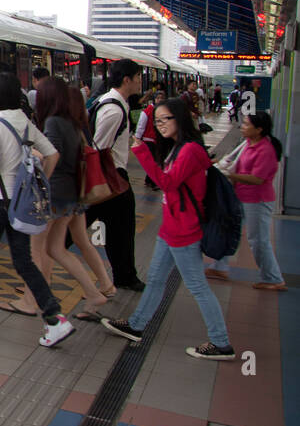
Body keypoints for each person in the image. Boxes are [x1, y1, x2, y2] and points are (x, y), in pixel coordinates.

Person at [102, 98, 235, 360]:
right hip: (172, 226)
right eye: (157, 120)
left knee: (196, 285)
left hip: (184, 229)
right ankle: (137, 325)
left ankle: (221, 343)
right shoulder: (179, 147)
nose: (161, 125)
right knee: (156, 279)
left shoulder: (189, 151)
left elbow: (167, 183)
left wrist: (141, 153)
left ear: (181, 119)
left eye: (166, 119)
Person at [0, 72, 73, 348]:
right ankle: (55, 318)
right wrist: (35, 181)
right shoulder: (25, 121)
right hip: (19, 202)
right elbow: (52, 154)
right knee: (23, 261)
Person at [1, 76, 114, 321]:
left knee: (36, 251)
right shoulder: (72, 122)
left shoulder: (52, 122)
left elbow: (50, 156)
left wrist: (28, 149)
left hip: (52, 195)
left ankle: (31, 301)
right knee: (56, 249)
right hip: (70, 196)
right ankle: (94, 292)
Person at [206, 112, 286, 291]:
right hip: (240, 196)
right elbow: (235, 162)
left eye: (247, 124)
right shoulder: (248, 143)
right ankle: (219, 267)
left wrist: (228, 174)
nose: (242, 126)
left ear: (259, 129)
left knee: (258, 240)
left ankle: (273, 278)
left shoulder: (266, 150)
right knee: (227, 228)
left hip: (257, 200)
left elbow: (257, 179)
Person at [86, 58, 145, 291]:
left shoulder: (113, 102)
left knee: (116, 228)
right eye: (138, 77)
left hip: (110, 176)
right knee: (119, 227)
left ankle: (125, 275)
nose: (141, 82)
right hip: (111, 177)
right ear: (127, 79)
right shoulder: (113, 109)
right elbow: (99, 148)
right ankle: (125, 276)